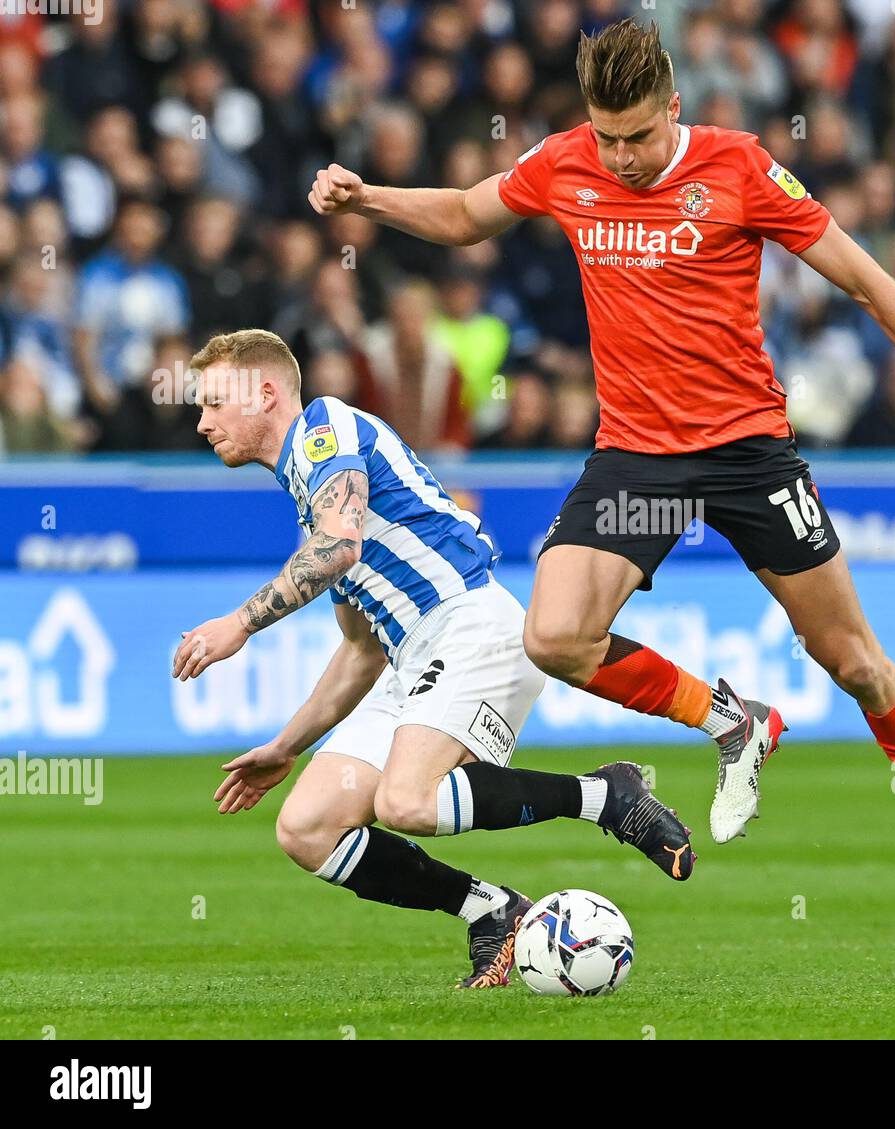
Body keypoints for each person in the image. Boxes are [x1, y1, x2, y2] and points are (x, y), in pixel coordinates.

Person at [307, 20, 895, 964]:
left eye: (639, 137)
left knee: (857, 663)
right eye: (606, 137)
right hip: (639, 461)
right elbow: (465, 213)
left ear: (675, 107)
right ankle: (732, 719)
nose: (620, 157)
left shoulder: (741, 168)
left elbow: (868, 282)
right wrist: (367, 196)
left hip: (750, 453)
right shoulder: (567, 163)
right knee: (553, 635)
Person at [171, 328, 694, 988]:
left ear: (265, 392)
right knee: (306, 828)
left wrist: (240, 623)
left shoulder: (323, 429)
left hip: (471, 627)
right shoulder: (311, 493)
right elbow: (361, 650)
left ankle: (603, 794)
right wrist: (287, 745)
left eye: (214, 402)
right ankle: (493, 910)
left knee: (407, 801)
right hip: (410, 656)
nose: (201, 421)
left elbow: (340, 547)